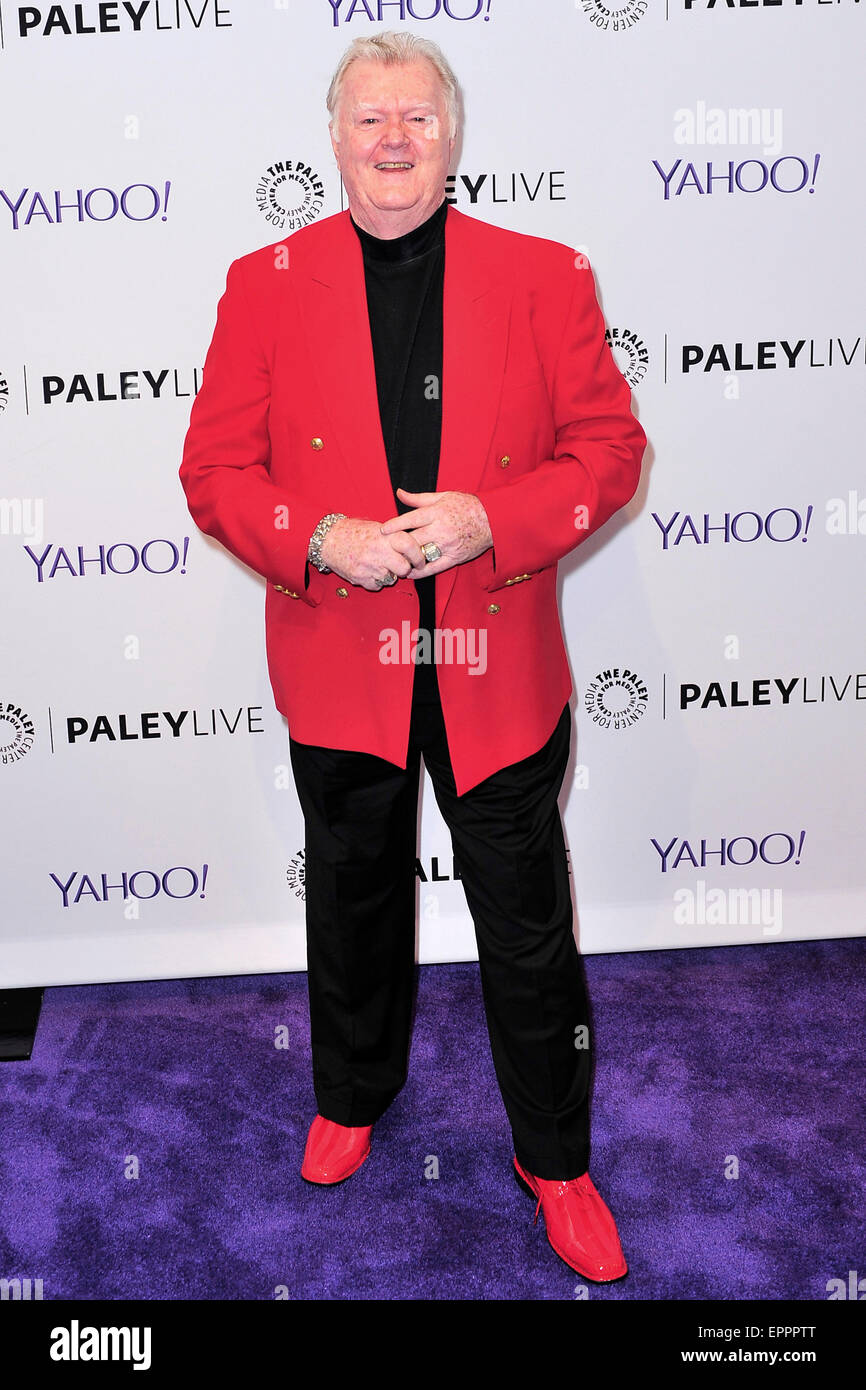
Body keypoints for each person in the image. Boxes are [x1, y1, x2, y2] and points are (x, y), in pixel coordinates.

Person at [179, 29, 646, 1283]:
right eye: (369, 118)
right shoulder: (263, 280)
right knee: (354, 894)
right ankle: (349, 1094)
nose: (393, 140)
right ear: (332, 138)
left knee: (528, 922)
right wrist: (315, 532)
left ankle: (554, 1159)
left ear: (453, 136)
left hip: (495, 660)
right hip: (342, 652)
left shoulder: (544, 274)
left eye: (417, 119)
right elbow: (215, 472)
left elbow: (607, 449)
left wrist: (495, 518)